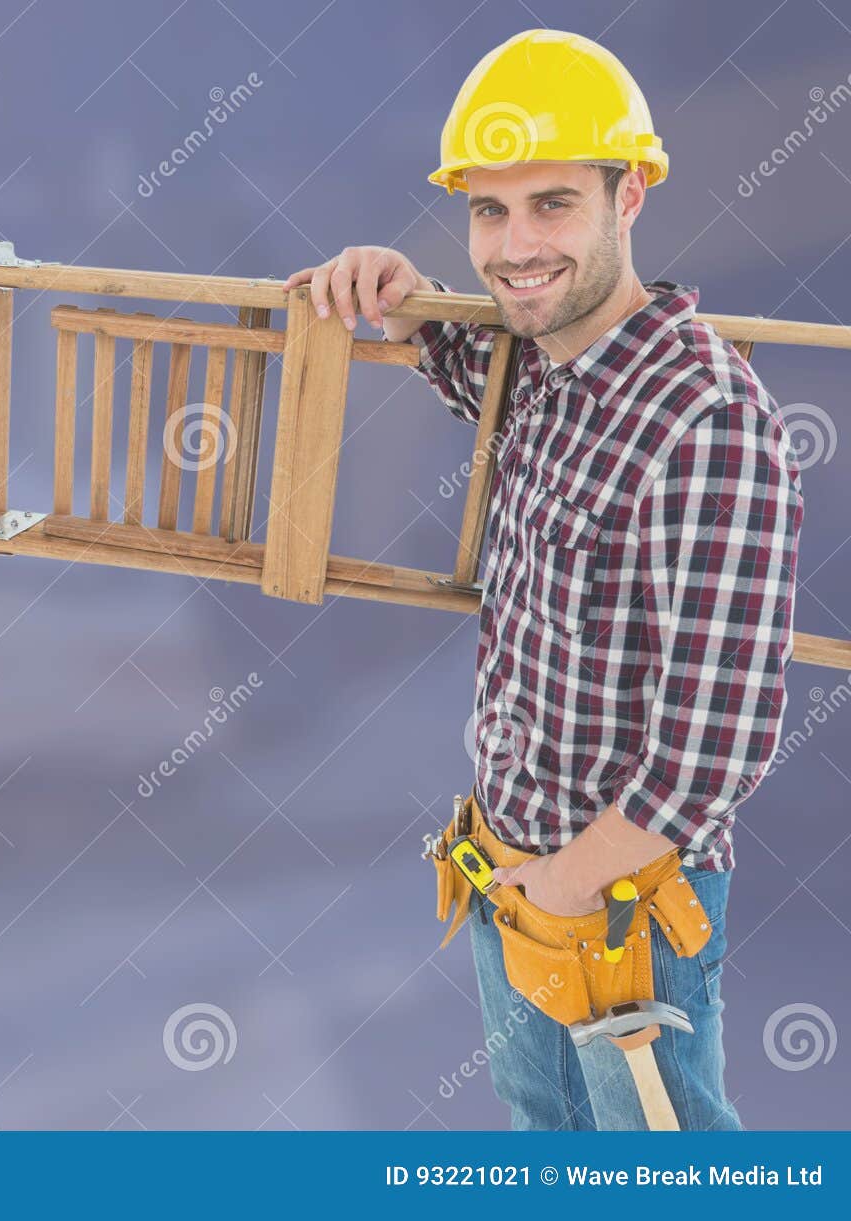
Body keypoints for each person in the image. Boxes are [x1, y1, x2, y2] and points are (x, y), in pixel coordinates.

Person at [284, 29, 802, 1130]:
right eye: (488, 210)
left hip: (622, 907)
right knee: (544, 1151)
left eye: (552, 205)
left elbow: (725, 731)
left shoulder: (704, 418)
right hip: (508, 880)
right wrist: (398, 290)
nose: (514, 246)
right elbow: (471, 360)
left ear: (633, 195)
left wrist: (575, 880)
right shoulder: (550, 376)